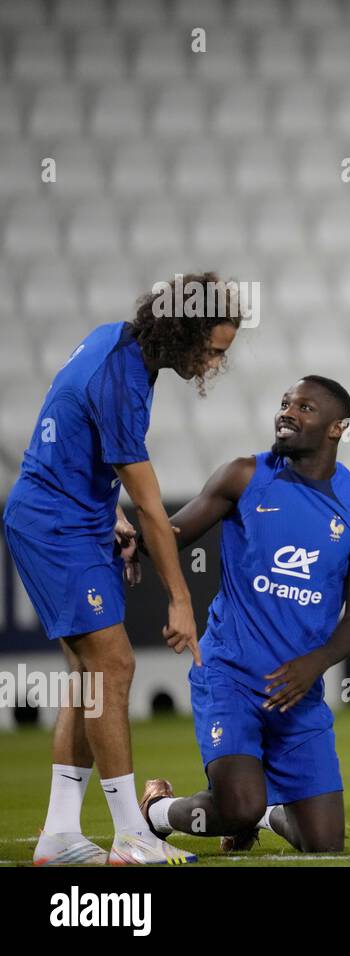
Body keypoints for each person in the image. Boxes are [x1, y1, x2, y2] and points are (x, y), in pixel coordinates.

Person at [4, 272, 239, 864]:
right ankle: (134, 835)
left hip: (69, 518)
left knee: (88, 676)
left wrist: (105, 514)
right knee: (114, 664)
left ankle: (59, 835)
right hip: (56, 529)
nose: (215, 364)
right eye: (212, 351)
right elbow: (156, 512)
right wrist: (181, 601)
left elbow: (65, 436)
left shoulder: (114, 341)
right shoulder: (123, 381)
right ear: (184, 334)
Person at [138, 376, 350, 854]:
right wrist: (134, 537)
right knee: (236, 806)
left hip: (298, 690)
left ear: (338, 428)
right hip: (229, 675)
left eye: (306, 408)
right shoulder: (243, 476)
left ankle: (268, 815)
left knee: (325, 845)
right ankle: (156, 811)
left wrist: (311, 667)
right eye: (284, 403)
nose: (288, 413)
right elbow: (171, 535)